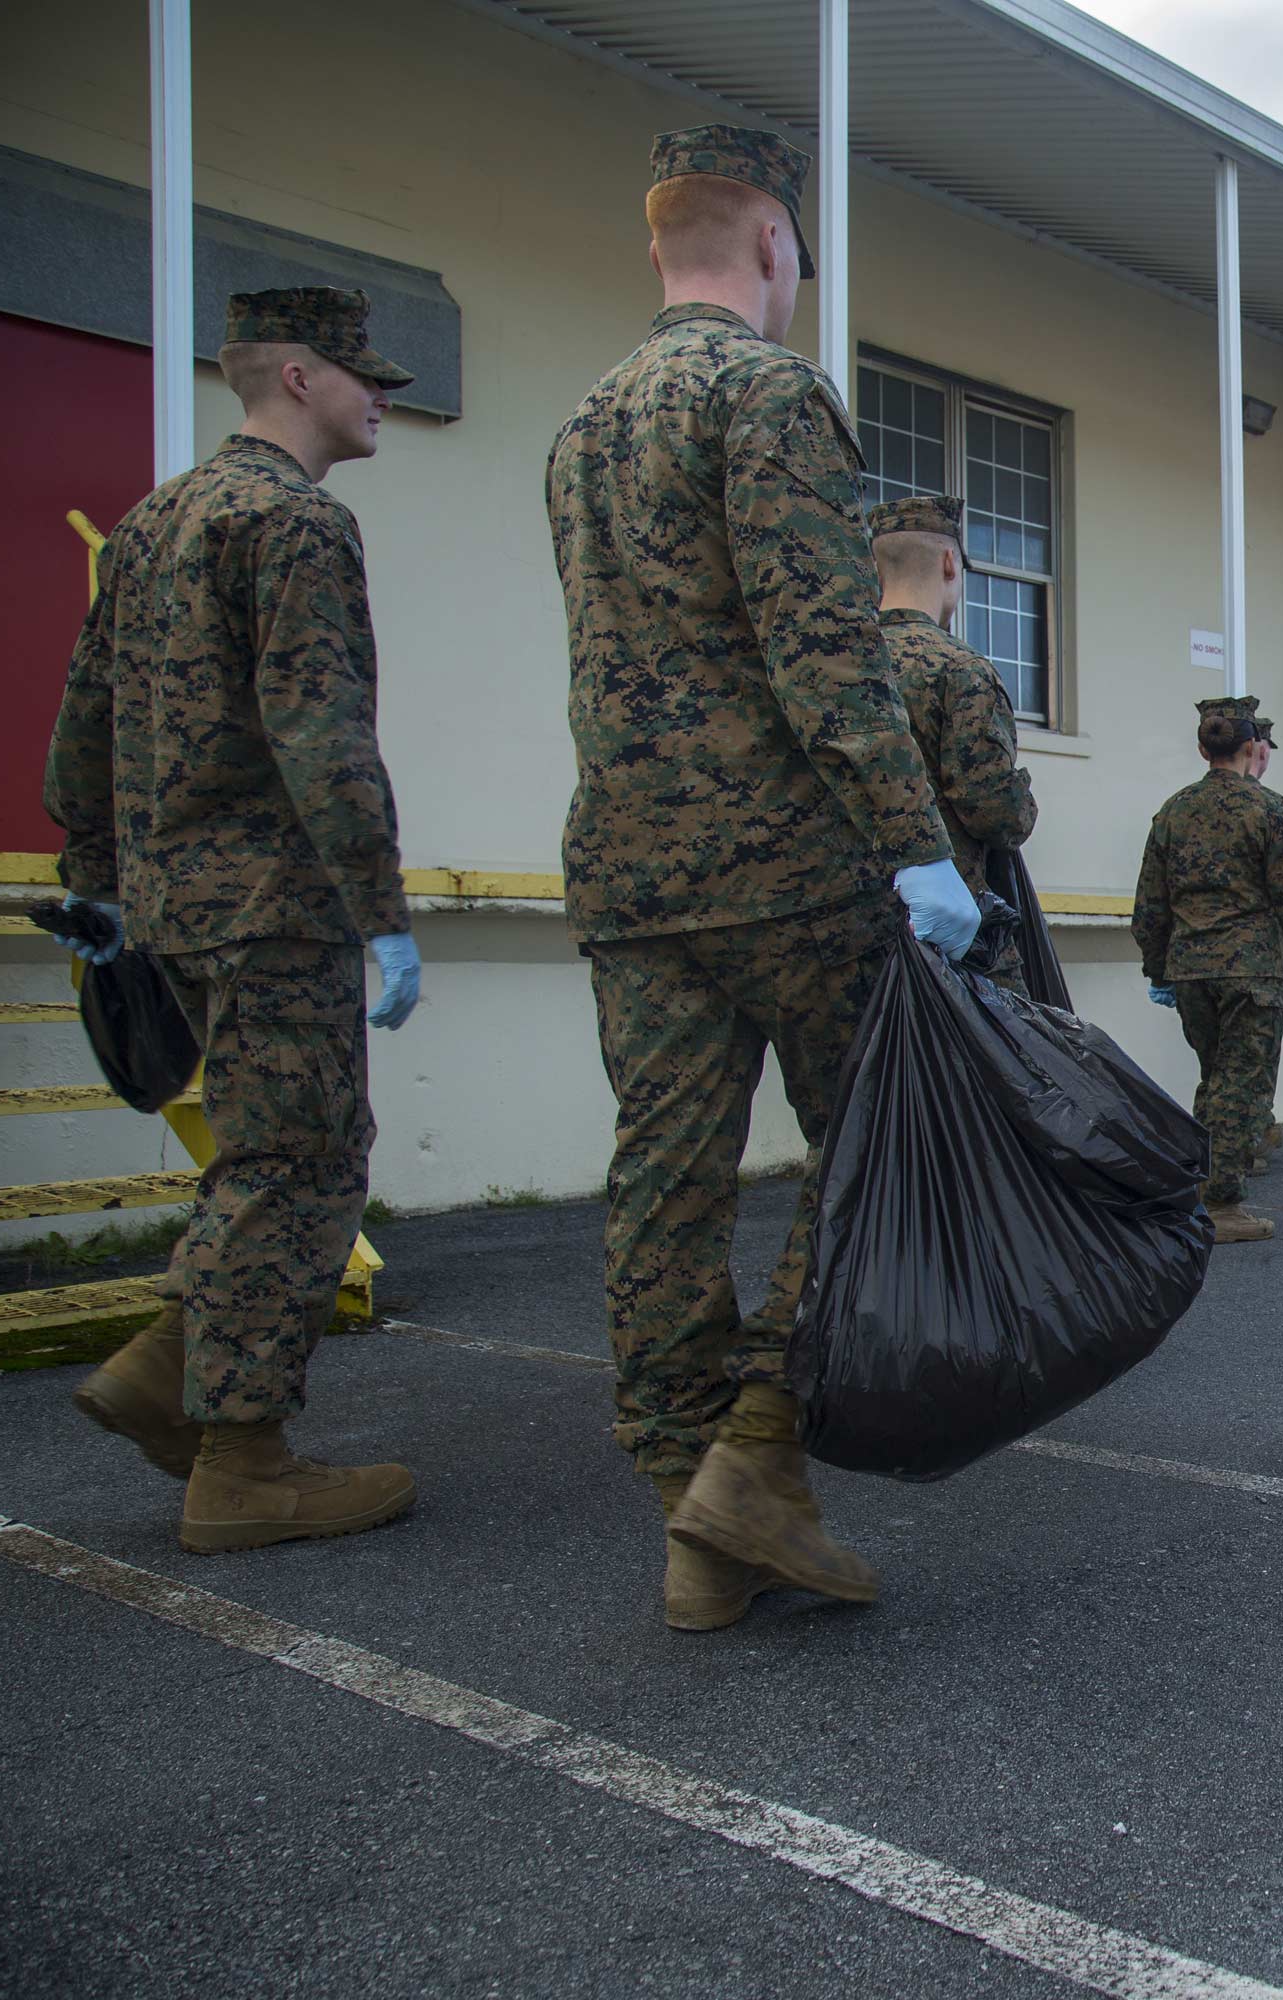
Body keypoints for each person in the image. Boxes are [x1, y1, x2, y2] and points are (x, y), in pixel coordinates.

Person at [549, 124, 977, 1632]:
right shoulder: (768, 390)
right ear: (777, 247)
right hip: (784, 863)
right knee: (869, 1149)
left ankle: (696, 1518)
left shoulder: (585, 422)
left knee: (662, 1185)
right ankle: (755, 1454)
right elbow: (823, 643)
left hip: (628, 865)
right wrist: (918, 843)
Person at [44, 286, 425, 1554]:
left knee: (261, 1153)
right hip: (275, 903)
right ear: (299, 375)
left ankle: (166, 1371)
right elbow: (322, 733)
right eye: (367, 376)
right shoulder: (296, 522)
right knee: (303, 1162)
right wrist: (382, 911)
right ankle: (246, 1461)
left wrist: (99, 875)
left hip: (173, 906)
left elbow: (84, 714)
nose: (384, 396)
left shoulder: (155, 521)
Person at [1132, 695, 1283, 1246]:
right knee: (1244, 1088)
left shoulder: (1173, 811)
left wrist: (1158, 970)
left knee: (1217, 1081)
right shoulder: (1270, 811)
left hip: (1191, 970)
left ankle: (1200, 1189)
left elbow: (1150, 902)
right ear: (1252, 747)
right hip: (1251, 972)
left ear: (1203, 748)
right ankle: (1220, 1205)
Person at [868, 495, 1038, 993]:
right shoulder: (958, 668)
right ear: (949, 563)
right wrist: (1023, 805)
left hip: (844, 932)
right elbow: (992, 808)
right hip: (954, 937)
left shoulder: (835, 667)